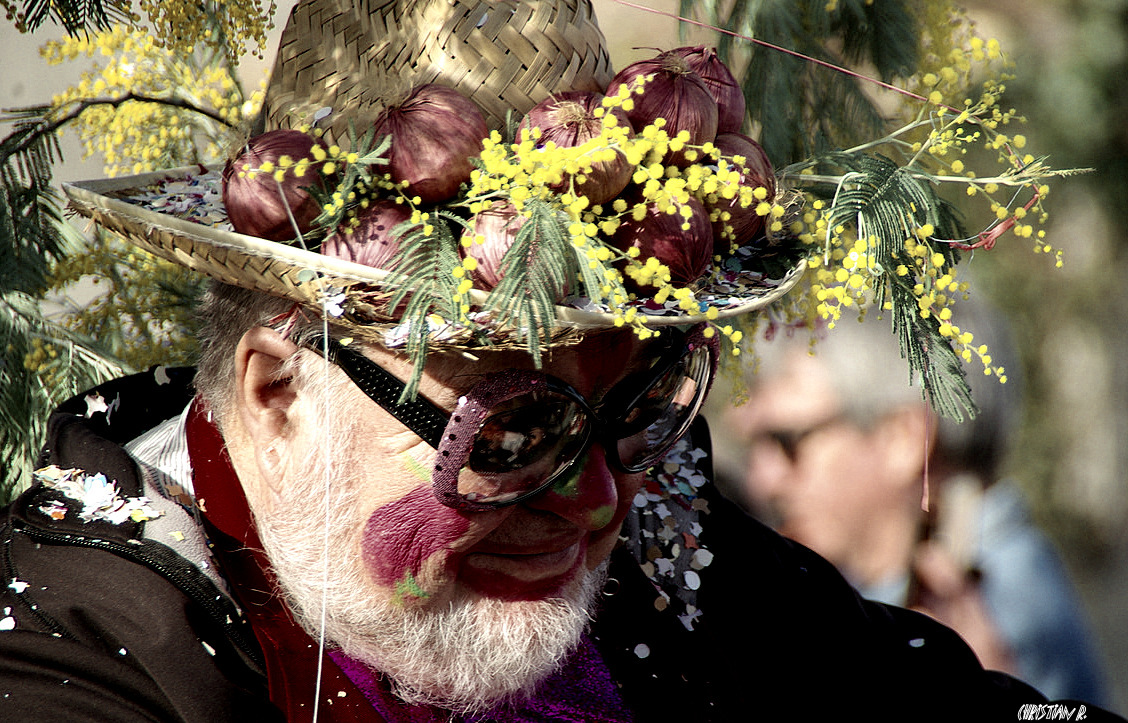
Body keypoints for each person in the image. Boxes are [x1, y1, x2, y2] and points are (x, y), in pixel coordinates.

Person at [0, 0, 1120, 720]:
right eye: (515, 427)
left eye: (638, 405)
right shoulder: (84, 648)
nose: (593, 500)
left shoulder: (662, 554)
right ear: (280, 392)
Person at [723, 299, 1111, 706]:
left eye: (788, 443)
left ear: (902, 439)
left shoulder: (1007, 597)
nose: (762, 482)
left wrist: (1000, 707)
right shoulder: (858, 585)